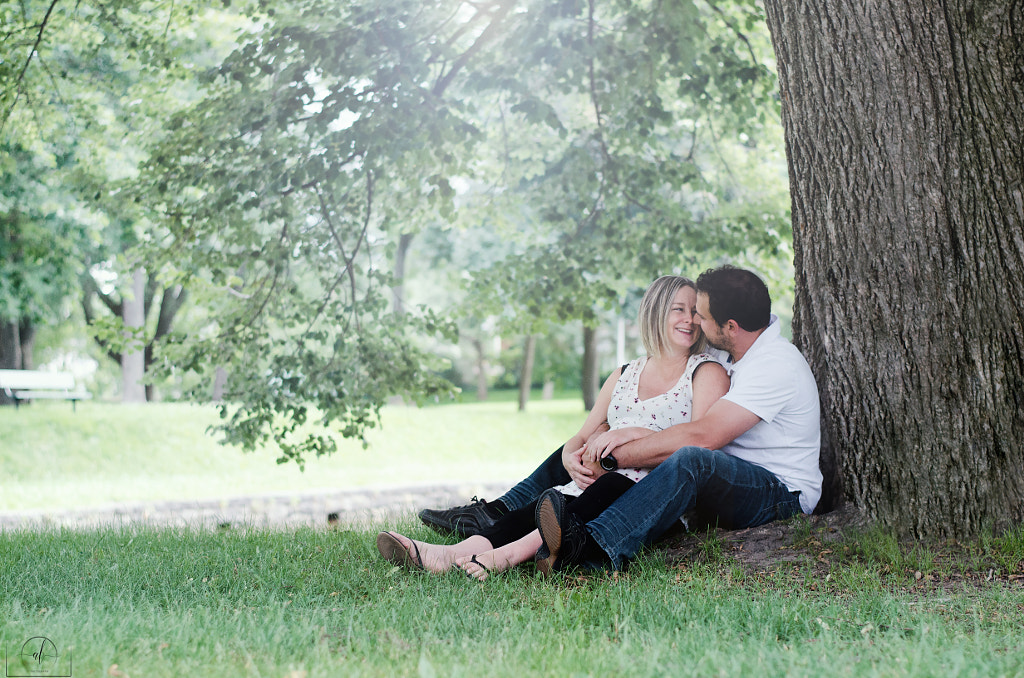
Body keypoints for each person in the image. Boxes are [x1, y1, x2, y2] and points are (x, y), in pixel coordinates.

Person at [421, 265, 822, 573]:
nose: (694, 321)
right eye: (686, 312)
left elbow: (702, 435)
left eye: (701, 314)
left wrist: (616, 452)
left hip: (781, 494)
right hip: (730, 478)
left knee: (686, 460)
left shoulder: (772, 364)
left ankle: (592, 549)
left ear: (729, 327)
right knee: (580, 482)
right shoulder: (730, 353)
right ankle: (483, 528)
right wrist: (592, 445)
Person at [376, 275, 730, 579]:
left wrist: (631, 434)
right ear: (655, 313)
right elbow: (581, 434)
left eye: (694, 311)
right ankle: (449, 553)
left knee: (596, 492)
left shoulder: (704, 372)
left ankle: (506, 557)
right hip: (597, 483)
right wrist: (571, 456)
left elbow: (699, 446)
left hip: (649, 498)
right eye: (678, 310)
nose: (690, 320)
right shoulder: (625, 374)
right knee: (545, 504)